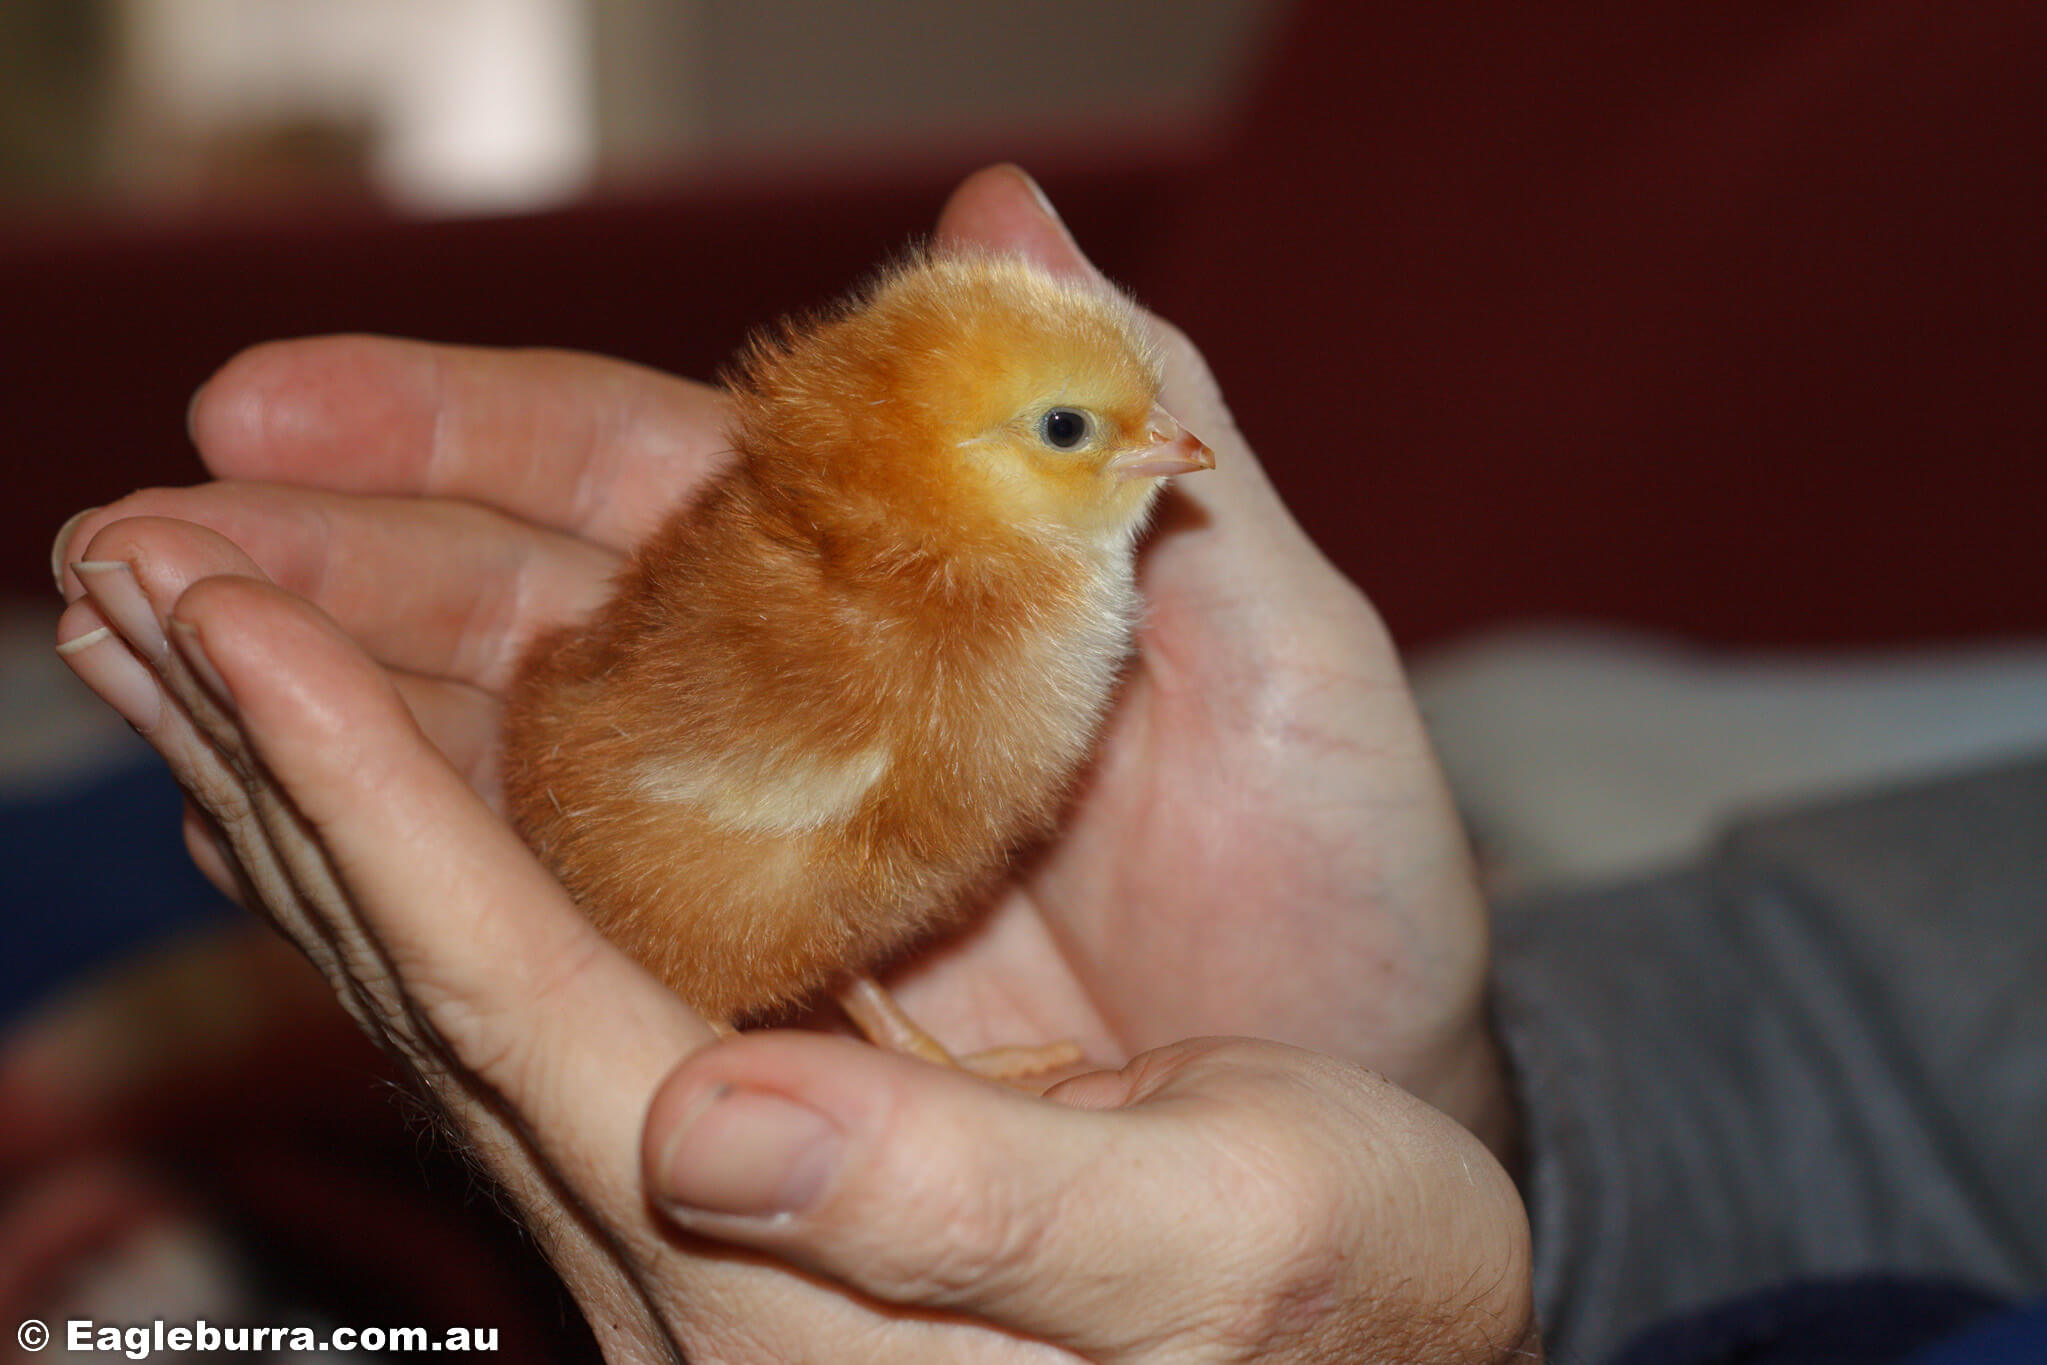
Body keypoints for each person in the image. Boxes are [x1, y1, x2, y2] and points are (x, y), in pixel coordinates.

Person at [48, 166, 2047, 1364]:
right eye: (1093, 441)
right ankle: (137, 1151)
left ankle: (158, 1179)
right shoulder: (912, 619)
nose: (1163, 455)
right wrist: (1466, 1092)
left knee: (250, 833)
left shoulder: (945, 597)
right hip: (1609, 940)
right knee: (153, 821)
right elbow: (1850, 1027)